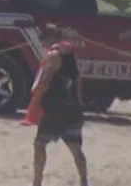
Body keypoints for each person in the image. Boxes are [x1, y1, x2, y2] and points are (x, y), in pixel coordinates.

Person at [24, 27, 88, 186]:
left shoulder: (53, 56)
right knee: (75, 147)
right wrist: (79, 101)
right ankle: (84, 182)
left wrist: (36, 100)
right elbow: (78, 79)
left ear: (51, 38)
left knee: (39, 144)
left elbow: (45, 81)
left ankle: (37, 182)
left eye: (43, 40)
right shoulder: (71, 55)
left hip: (55, 109)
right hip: (73, 108)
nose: (43, 44)